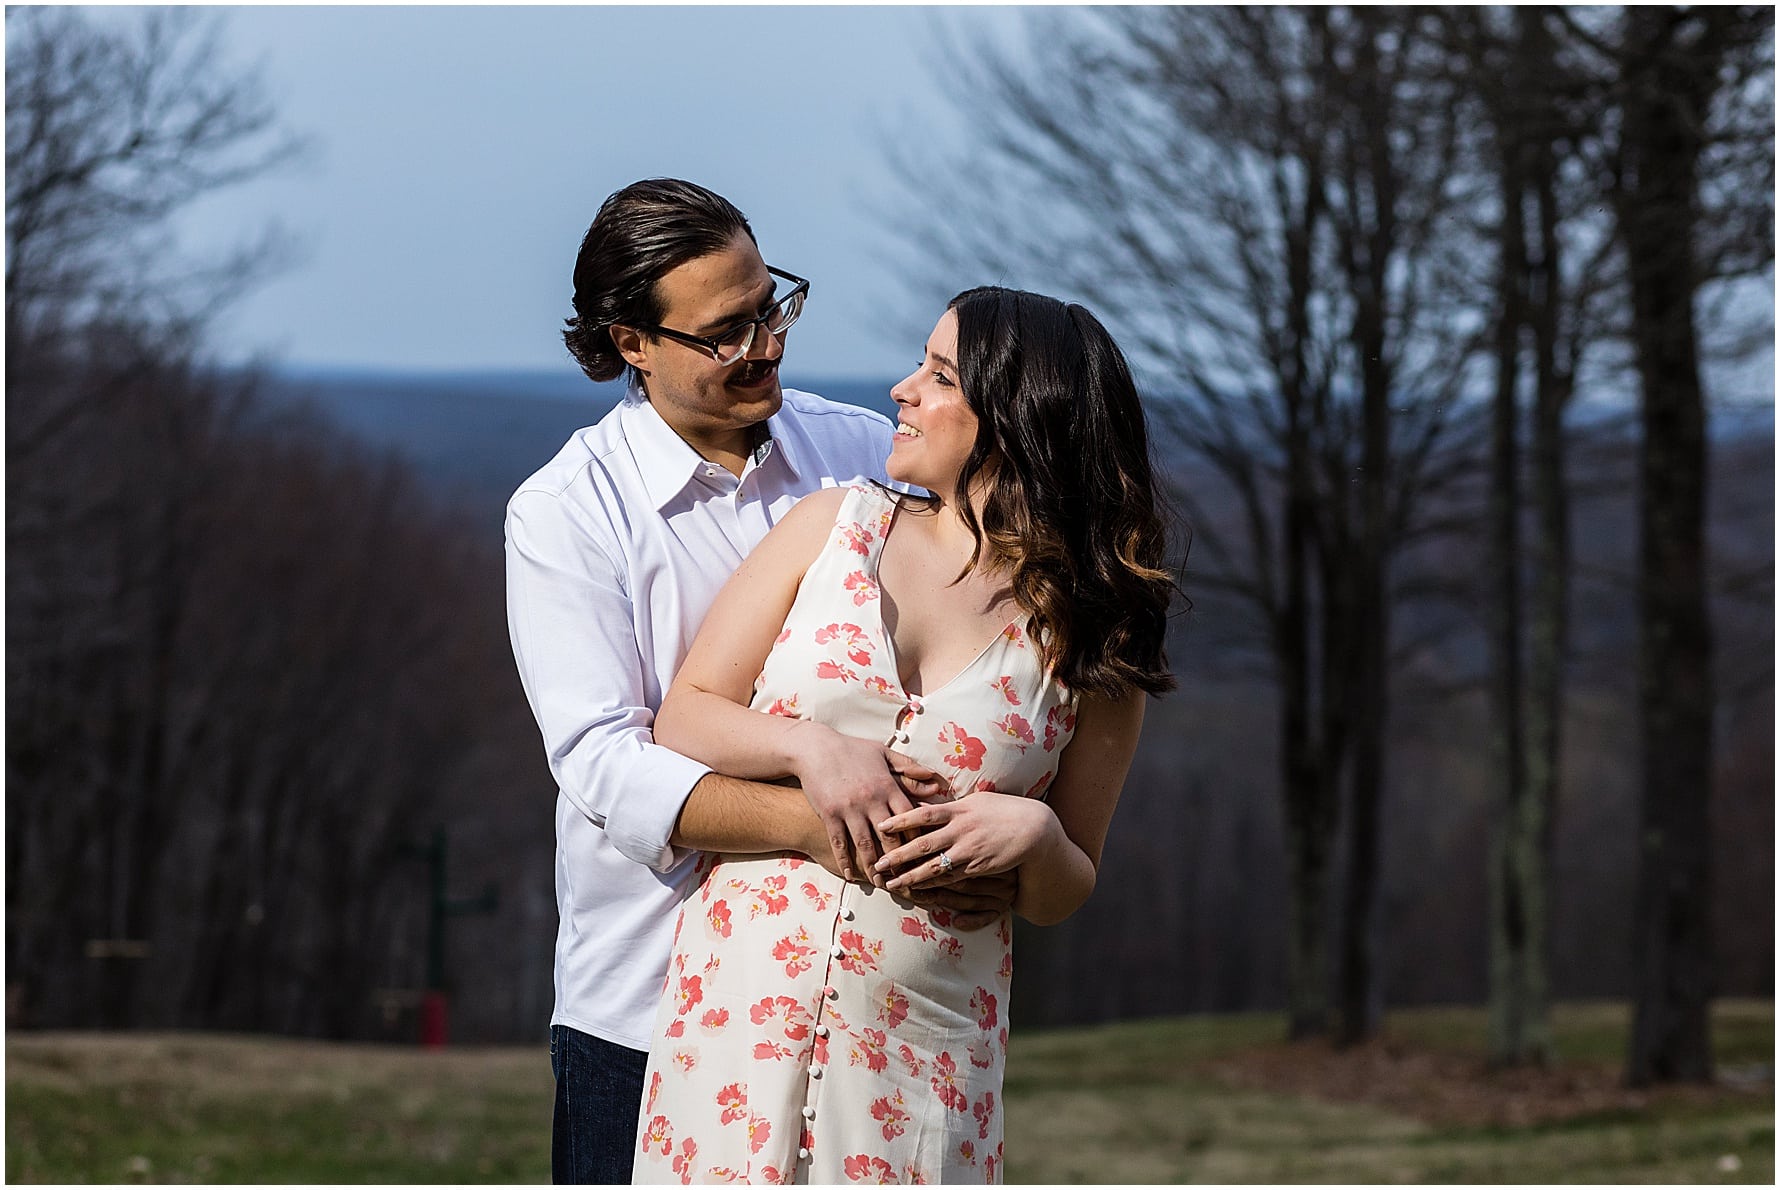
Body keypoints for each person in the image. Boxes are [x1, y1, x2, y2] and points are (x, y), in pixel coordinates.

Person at [506, 179, 1016, 1185]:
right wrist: (808, 810)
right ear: (630, 342)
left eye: (769, 307)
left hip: (866, 994)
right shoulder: (565, 513)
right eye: (724, 332)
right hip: (645, 1003)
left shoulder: (863, 453)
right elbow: (605, 766)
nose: (766, 346)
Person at [631, 287, 1176, 1184]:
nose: (902, 390)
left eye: (939, 375)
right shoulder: (831, 528)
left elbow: (1065, 885)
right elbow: (686, 715)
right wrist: (809, 749)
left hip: (922, 1050)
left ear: (1016, 414)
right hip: (736, 1019)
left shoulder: (1094, 632)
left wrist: (1038, 837)